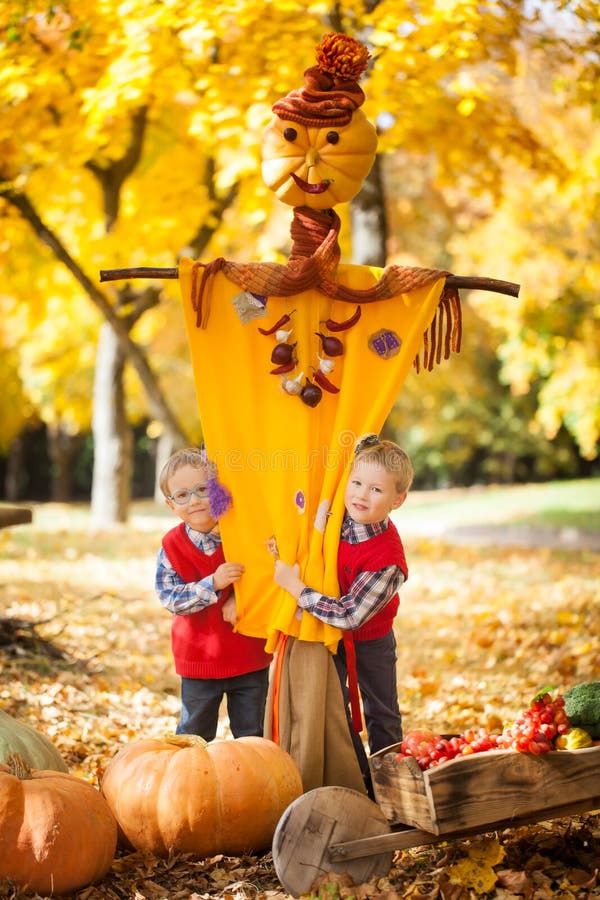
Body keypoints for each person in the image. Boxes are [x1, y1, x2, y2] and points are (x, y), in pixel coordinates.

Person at [273, 435, 412, 790]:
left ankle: (392, 787)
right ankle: (360, 781)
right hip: (330, 636)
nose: (362, 495)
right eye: (357, 483)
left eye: (376, 490)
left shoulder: (387, 561)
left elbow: (351, 614)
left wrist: (298, 590)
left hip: (371, 638)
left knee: (382, 712)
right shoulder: (336, 518)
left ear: (399, 499)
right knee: (337, 712)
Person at [156, 447, 272, 740]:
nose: (194, 501)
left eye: (202, 489)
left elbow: (267, 574)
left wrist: (240, 597)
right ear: (171, 505)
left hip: (248, 655)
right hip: (198, 661)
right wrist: (213, 585)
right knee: (194, 733)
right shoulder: (171, 545)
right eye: (182, 495)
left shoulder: (241, 535)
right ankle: (191, 785)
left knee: (252, 733)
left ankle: (256, 785)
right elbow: (169, 597)